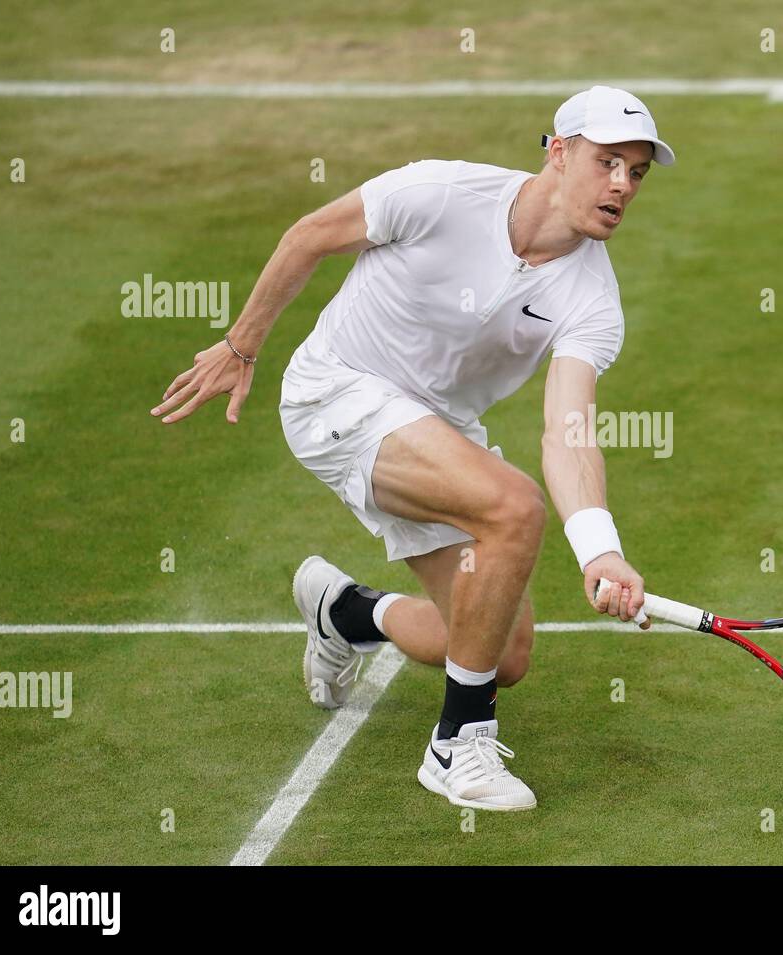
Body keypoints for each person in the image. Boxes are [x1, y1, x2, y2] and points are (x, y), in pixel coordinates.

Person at [150, 85, 675, 811]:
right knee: (515, 505)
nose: (621, 184)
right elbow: (309, 235)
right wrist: (243, 346)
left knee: (499, 649)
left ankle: (342, 612)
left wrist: (599, 549)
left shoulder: (593, 299)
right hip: (338, 391)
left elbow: (569, 430)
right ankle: (458, 745)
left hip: (437, 429)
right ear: (558, 153)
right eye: (606, 161)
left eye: (637, 172)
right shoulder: (442, 191)